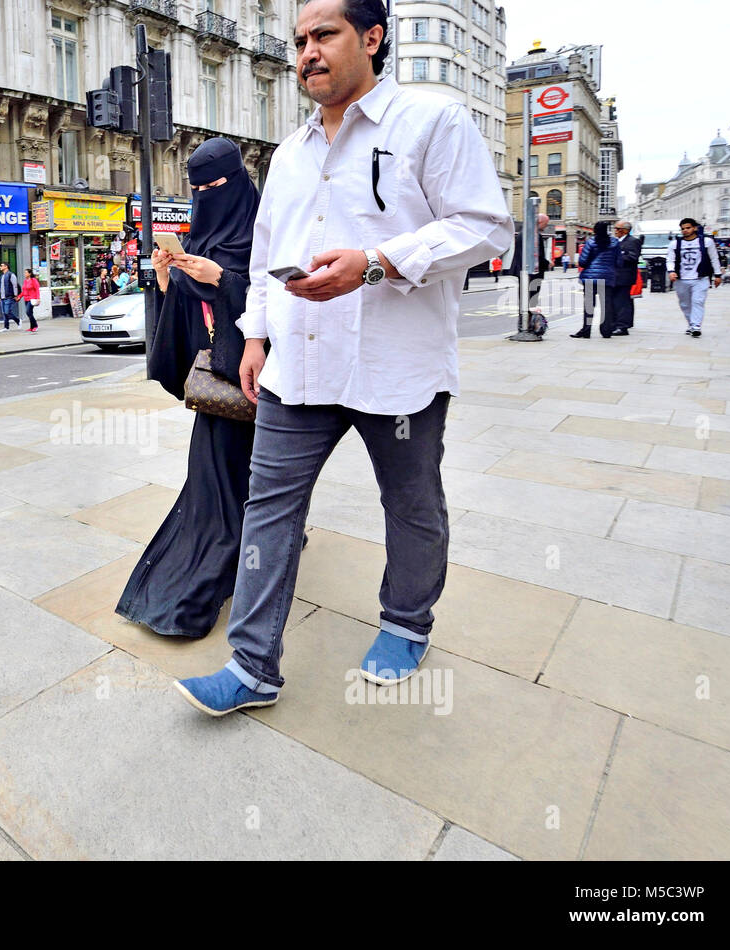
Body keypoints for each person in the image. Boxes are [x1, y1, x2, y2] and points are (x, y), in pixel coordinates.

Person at [172, 0, 511, 715]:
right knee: (269, 509)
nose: (307, 53)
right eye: (299, 40)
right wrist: (257, 338)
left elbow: (484, 229)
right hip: (299, 365)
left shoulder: (432, 123)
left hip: (398, 366)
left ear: (373, 37)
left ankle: (406, 623)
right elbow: (267, 256)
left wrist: (378, 262)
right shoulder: (290, 151)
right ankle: (252, 664)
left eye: (324, 34)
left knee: (411, 506)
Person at [116, 138, 261, 640]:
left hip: (263, 382)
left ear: (238, 184)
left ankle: (200, 591)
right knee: (217, 485)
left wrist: (225, 279)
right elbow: (187, 320)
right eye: (196, 190)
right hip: (222, 386)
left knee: (250, 485)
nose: (206, 197)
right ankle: (189, 588)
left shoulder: (266, 231)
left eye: (215, 187)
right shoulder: (203, 237)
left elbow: (282, 299)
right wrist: (164, 279)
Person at [668, 218, 723, 337]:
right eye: (683, 229)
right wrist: (671, 271)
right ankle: (691, 324)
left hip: (700, 278)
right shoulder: (675, 243)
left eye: (688, 228)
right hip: (681, 279)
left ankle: (696, 326)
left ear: (695, 228)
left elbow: (714, 258)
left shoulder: (706, 242)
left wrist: (717, 275)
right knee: (685, 304)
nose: (685, 231)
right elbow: (670, 259)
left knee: (698, 301)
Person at [571, 221, 620, 339]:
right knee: (606, 305)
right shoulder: (615, 243)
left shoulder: (591, 242)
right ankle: (606, 330)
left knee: (589, 305)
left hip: (590, 278)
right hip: (607, 278)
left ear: (595, 230)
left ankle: (586, 330)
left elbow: (583, 261)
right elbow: (619, 262)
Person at [506, 212, 550, 316]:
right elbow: (536, 255)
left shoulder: (524, 232)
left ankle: (524, 324)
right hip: (531, 274)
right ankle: (528, 325)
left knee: (524, 301)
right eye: (546, 223)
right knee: (531, 301)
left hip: (524, 272)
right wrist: (547, 263)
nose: (546, 226)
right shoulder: (534, 235)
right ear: (540, 222)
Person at [607, 220, 642, 335]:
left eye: (617, 229)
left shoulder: (633, 241)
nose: (615, 231)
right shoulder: (614, 241)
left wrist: (618, 256)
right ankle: (613, 324)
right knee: (613, 301)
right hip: (613, 277)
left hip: (624, 277)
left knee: (622, 302)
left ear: (625, 230)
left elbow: (633, 257)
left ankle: (622, 326)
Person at [0, 261, 21, 330]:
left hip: (9, 297)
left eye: (1, 265)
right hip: (2, 297)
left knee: (7, 312)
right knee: (4, 313)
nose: (0, 267)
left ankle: (18, 320)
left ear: (6, 266)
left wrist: (15, 295)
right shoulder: (2, 276)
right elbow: (1, 287)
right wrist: (0, 296)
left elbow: (15, 286)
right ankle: (6, 327)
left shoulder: (11, 275)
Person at [18, 267, 40, 331]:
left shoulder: (33, 280)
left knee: (28, 312)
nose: (24, 274)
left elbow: (37, 289)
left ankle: (35, 326)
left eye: (26, 272)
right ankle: (32, 327)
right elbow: (24, 291)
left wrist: (38, 298)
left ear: (29, 274)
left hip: (32, 299)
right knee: (30, 313)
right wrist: (19, 296)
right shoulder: (25, 281)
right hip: (26, 299)